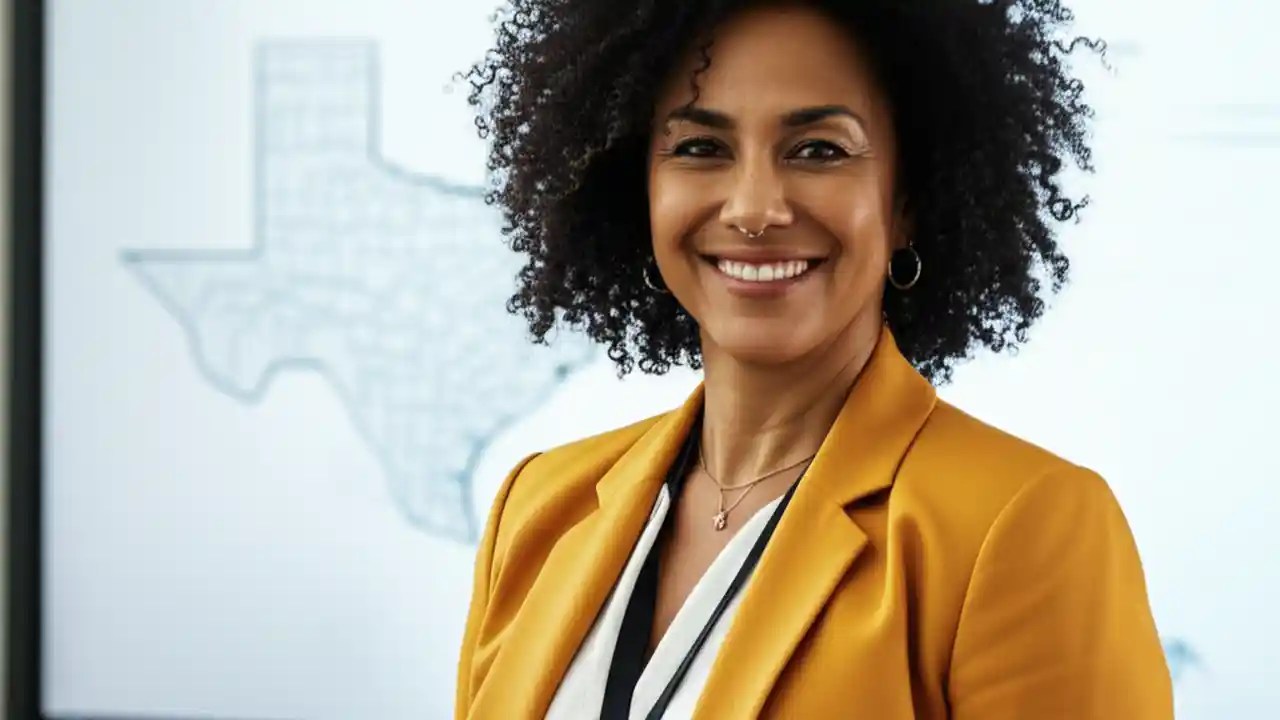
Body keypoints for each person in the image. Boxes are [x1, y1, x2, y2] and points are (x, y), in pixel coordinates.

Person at [454, 0, 1173, 717]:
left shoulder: (1021, 529)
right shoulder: (540, 506)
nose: (754, 208)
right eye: (701, 148)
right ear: (634, 187)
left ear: (907, 202)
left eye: (819, 149)